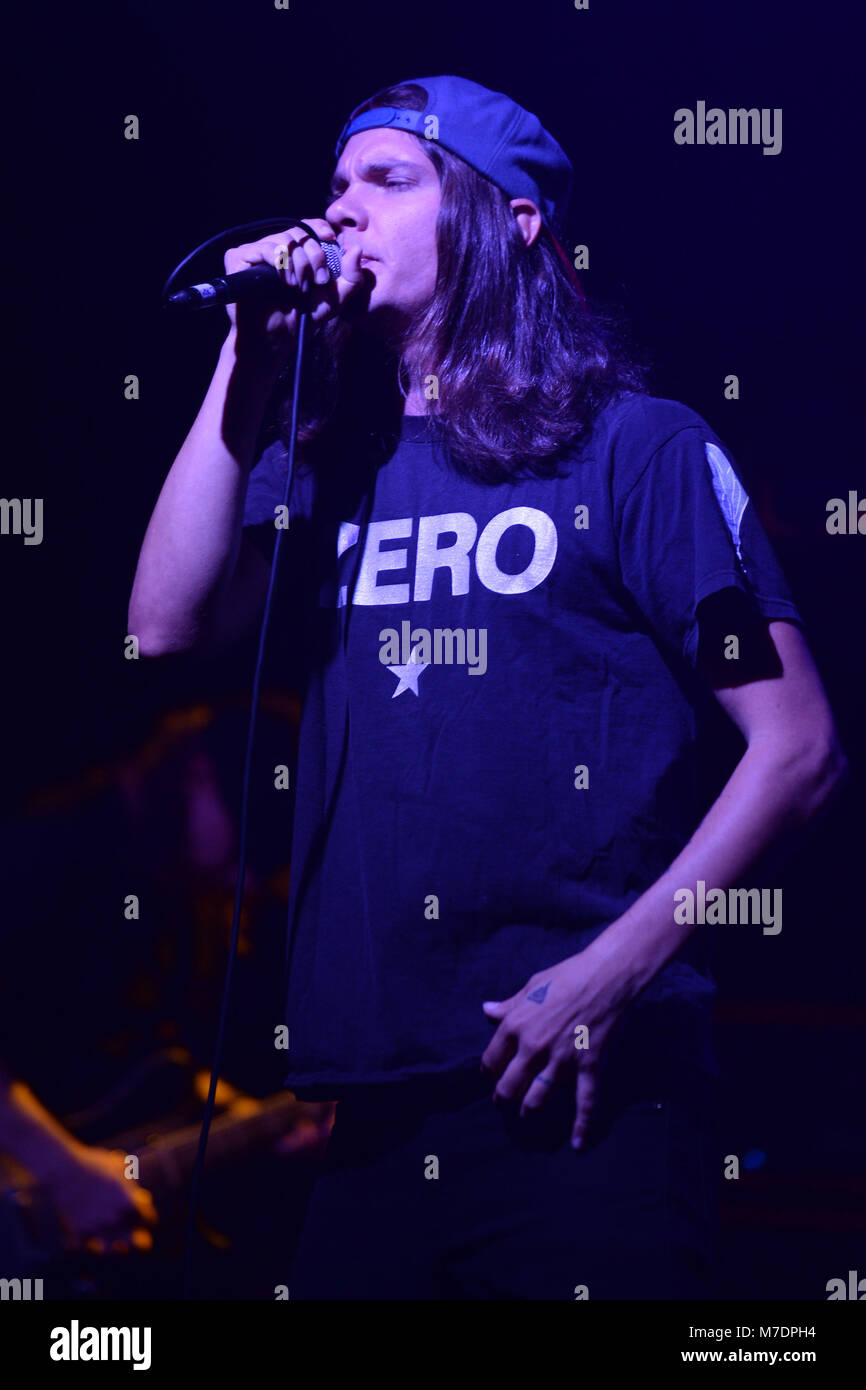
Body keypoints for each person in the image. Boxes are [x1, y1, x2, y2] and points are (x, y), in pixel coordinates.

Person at [128, 76, 848, 1299]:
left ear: (509, 221)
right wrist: (245, 359)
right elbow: (163, 624)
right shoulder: (331, 466)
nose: (340, 211)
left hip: (586, 1103)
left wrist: (610, 971)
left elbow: (795, 748)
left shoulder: (637, 448)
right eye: (333, 185)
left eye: (386, 179)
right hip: (367, 1115)